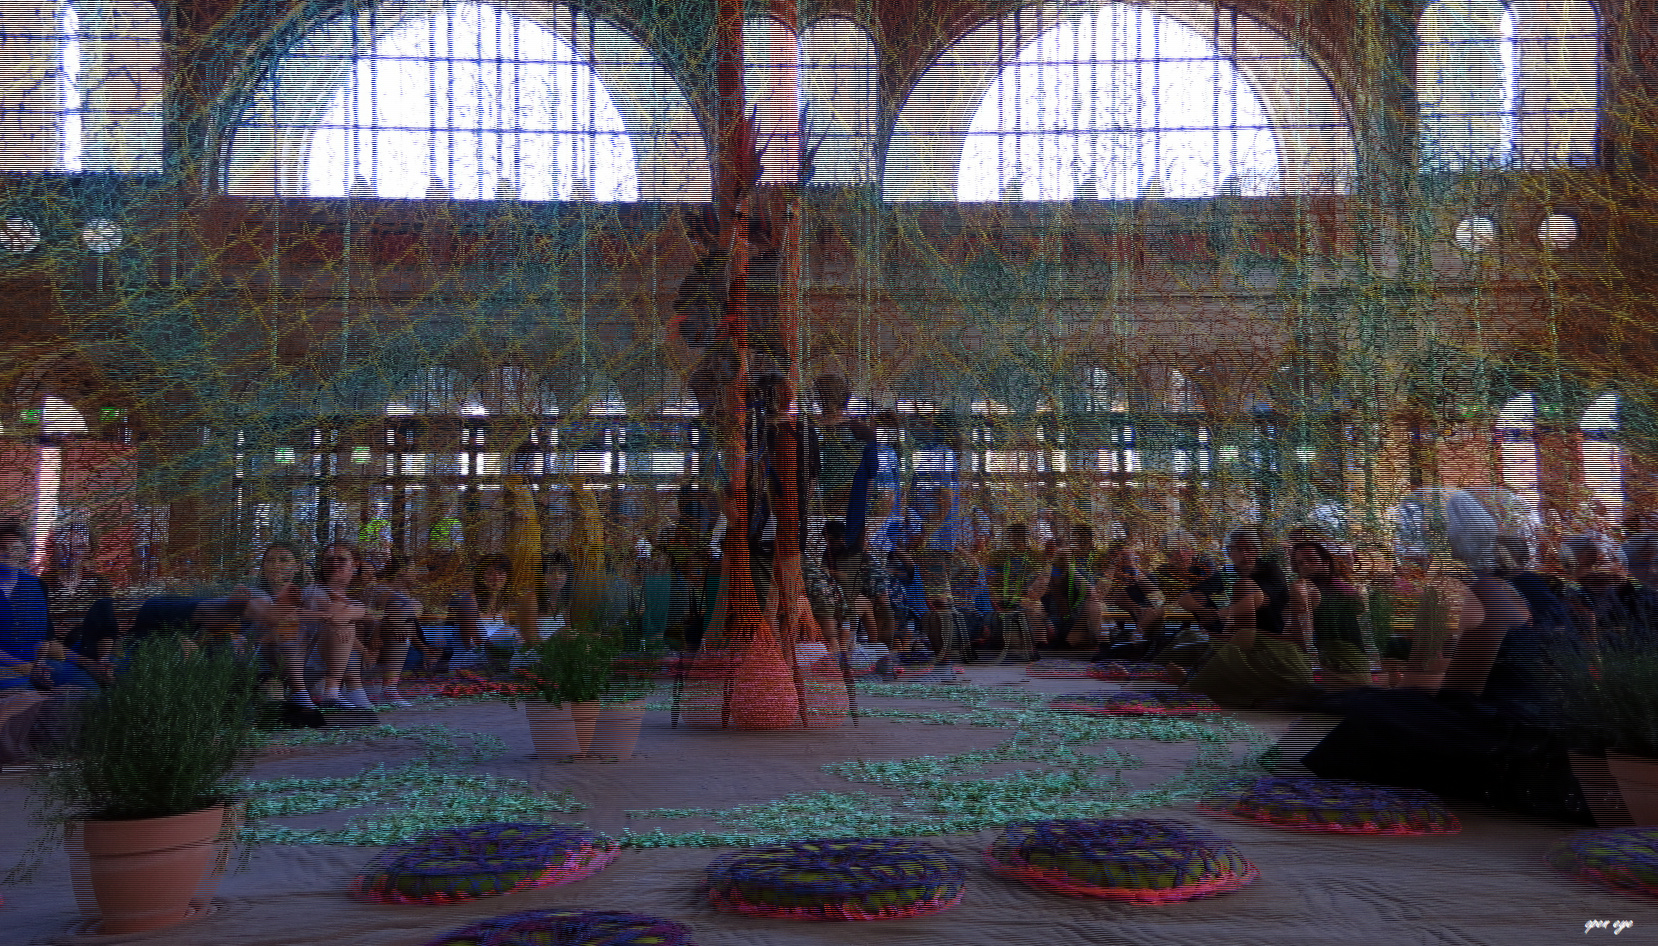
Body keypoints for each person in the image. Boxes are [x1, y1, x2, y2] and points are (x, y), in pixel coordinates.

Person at [1297, 488, 1589, 822]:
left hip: (1510, 732)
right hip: (1546, 718)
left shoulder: (1480, 590)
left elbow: (1459, 690)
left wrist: (1407, 683)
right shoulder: (1529, 584)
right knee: (1368, 703)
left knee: (1368, 710)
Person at [1165, 529, 1314, 708]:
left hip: (1269, 641)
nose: (1245, 554)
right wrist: (1203, 611)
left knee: (1229, 645)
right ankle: (1192, 678)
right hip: (1244, 637)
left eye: (1250, 549)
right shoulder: (1228, 573)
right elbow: (1185, 599)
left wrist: (1220, 615)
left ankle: (1192, 684)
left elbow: (1256, 601)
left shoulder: (1273, 572)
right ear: (1229, 552)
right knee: (1187, 640)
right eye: (1239, 549)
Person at [0, 521, 101, 690]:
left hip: (37, 663)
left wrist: (87, 663)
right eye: (2, 548)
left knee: (89, 690)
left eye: (16, 548)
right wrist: (27, 669)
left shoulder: (36, 587)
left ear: (25, 552)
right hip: (6, 667)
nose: (9, 554)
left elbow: (47, 639)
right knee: (29, 696)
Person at [1290, 540, 1373, 688]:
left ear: (1326, 562)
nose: (1305, 565)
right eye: (1300, 563)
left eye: (1311, 560)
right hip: (1350, 660)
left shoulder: (1310, 589)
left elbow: (1301, 633)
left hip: (1340, 661)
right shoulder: (1342, 587)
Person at [303, 541, 373, 709]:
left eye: (341, 559)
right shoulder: (313, 590)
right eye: (329, 559)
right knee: (342, 625)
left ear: (355, 564)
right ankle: (332, 693)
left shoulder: (354, 596)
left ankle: (362, 690)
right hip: (306, 660)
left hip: (333, 660)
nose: (334, 563)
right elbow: (335, 618)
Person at [363, 556, 423, 706]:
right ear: (402, 571)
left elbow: (414, 615)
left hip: (403, 644)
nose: (416, 573)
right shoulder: (378, 589)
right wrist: (388, 625)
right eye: (413, 569)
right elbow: (367, 616)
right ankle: (389, 689)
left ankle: (389, 688)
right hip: (370, 638)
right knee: (401, 625)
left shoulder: (405, 592)